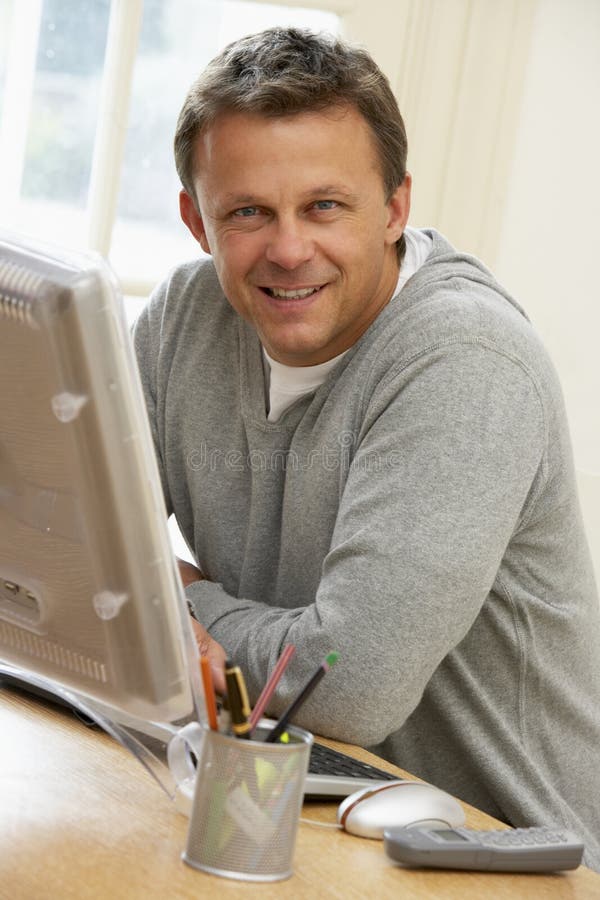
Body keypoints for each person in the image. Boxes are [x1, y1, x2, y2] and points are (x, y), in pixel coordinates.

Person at [132, 27, 600, 868]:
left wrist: (185, 604)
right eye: (248, 211)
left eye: (324, 205)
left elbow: (345, 685)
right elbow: (73, 559)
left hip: (497, 853)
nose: (288, 248)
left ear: (395, 207)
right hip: (298, 803)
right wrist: (134, 591)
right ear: (196, 220)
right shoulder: (181, 321)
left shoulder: (466, 360)